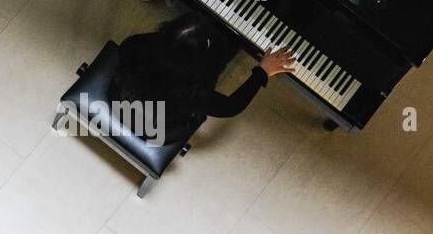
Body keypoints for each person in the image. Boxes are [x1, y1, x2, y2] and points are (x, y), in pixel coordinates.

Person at [110, 10, 298, 145]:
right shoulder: (186, 95)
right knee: (218, 58)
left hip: (118, 99)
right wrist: (262, 72)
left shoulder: (135, 45)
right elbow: (231, 107)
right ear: (189, 68)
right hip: (160, 131)